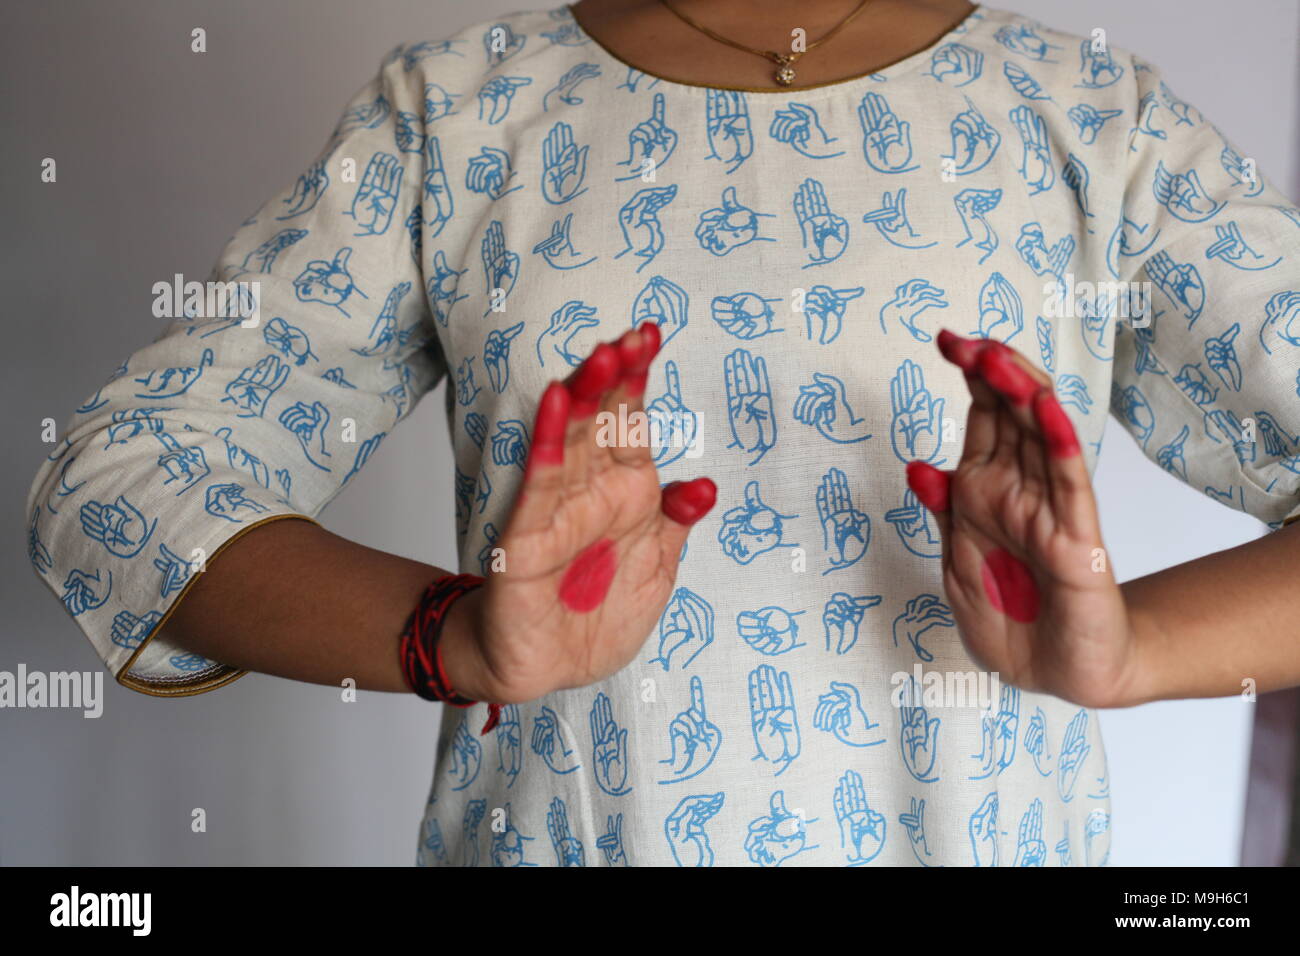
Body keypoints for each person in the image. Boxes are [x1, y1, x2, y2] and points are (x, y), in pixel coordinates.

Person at [26, 0, 1300, 867]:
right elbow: (120, 487)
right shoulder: (462, 119)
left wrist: (1128, 650)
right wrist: (454, 635)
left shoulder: (1084, 116)